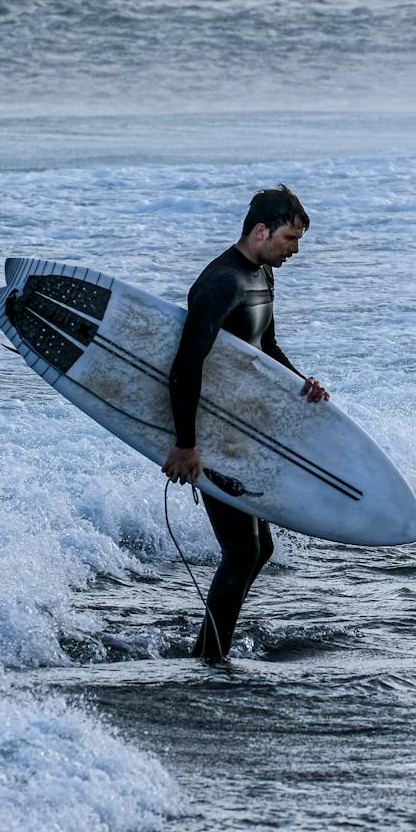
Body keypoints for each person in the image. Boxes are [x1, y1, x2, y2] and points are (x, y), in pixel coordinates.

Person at [162, 184, 329, 661]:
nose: (295, 250)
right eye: (290, 239)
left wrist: (301, 383)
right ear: (261, 231)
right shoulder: (221, 282)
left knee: (258, 550)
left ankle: (210, 648)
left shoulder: (260, 275)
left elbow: (265, 348)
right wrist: (186, 444)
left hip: (243, 431)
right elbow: (186, 365)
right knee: (241, 552)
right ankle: (210, 661)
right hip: (211, 432)